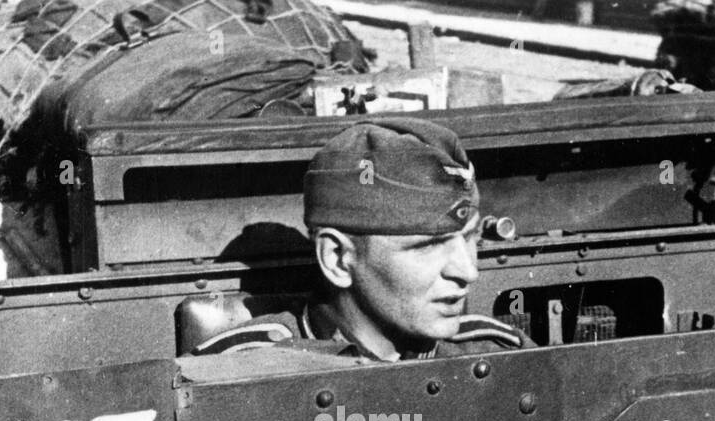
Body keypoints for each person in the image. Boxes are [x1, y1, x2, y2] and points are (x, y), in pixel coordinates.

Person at [182, 115, 527, 360]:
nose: (468, 272)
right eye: (429, 245)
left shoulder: (501, 354)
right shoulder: (239, 373)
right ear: (336, 258)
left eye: (470, 239)